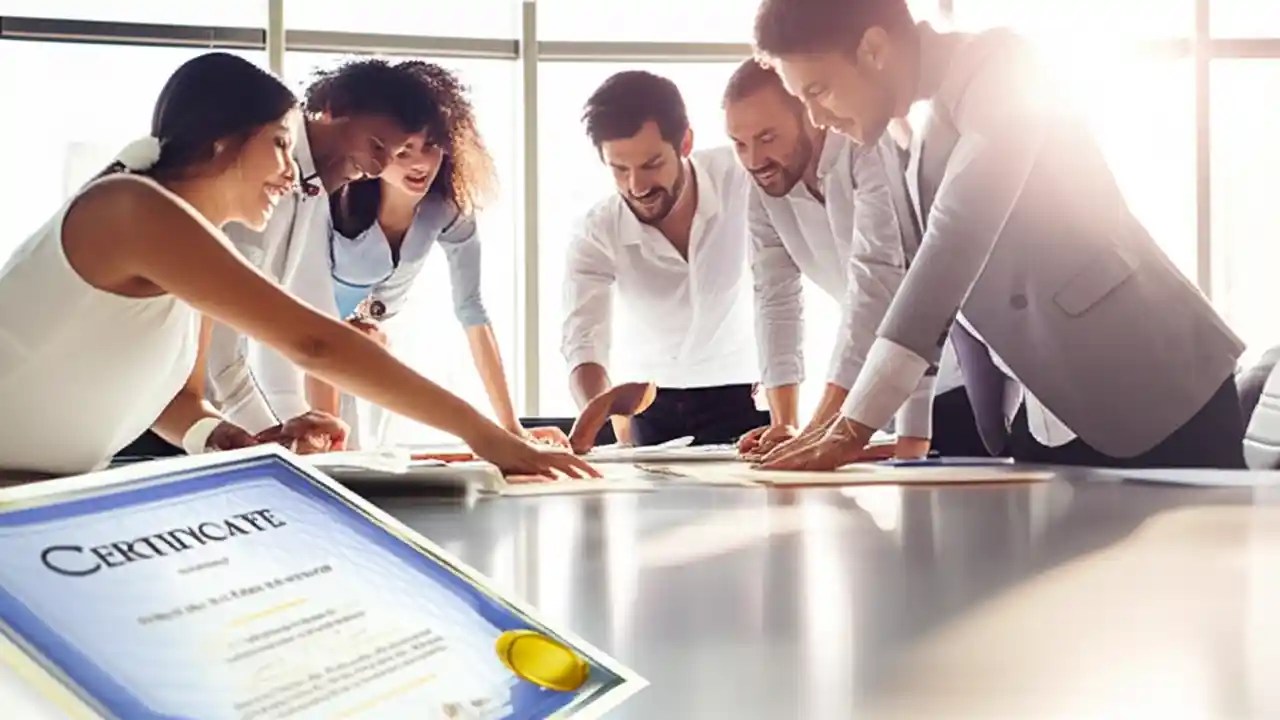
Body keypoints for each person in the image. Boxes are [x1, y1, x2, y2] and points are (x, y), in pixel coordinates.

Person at [0, 52, 597, 480]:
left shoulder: (198, 248)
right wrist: (490, 437)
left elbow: (176, 400)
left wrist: (229, 437)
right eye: (281, 144)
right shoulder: (131, 208)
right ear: (220, 140)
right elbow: (315, 343)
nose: (291, 173)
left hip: (42, 493)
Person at [752, 0, 1245, 469]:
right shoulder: (914, 126)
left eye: (817, 92)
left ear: (874, 50)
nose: (815, 119)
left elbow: (957, 233)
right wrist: (885, 431)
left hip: (1157, 397)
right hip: (1050, 419)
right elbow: (906, 285)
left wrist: (853, 425)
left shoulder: (1002, 68)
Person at [277, 60, 566, 449]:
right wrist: (325, 430)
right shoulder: (332, 198)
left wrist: (512, 428)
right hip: (302, 358)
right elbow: (315, 323)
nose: (418, 162)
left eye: (430, 146)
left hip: (366, 364)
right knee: (324, 458)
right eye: (403, 150)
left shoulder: (446, 213)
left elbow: (473, 312)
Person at [723, 58, 984, 460]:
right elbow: (774, 299)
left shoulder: (866, 146)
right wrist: (785, 423)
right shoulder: (763, 186)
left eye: (768, 137)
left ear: (807, 116)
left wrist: (818, 429)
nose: (754, 159)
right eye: (740, 143)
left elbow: (876, 285)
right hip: (877, 394)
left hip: (955, 382)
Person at [562, 70, 769, 448]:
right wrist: (598, 412)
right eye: (620, 169)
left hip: (748, 396)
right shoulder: (597, 231)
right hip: (649, 405)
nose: (637, 186)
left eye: (652, 164)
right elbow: (583, 341)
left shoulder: (741, 178)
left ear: (685, 142)